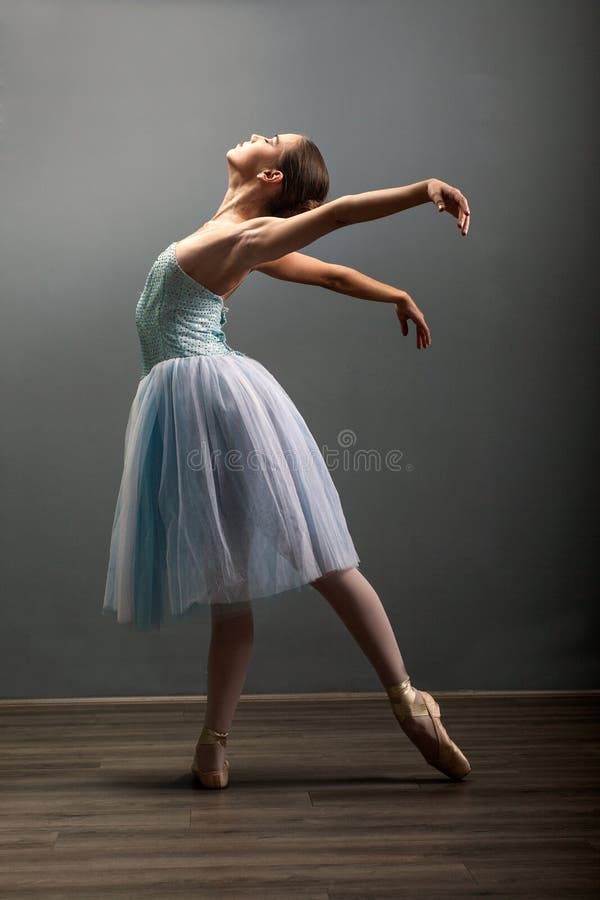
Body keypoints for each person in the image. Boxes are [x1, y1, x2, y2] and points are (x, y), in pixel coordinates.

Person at [102, 132, 472, 789]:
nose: (254, 135)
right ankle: (213, 747)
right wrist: (392, 293)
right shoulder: (233, 233)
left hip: (213, 402)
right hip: (189, 401)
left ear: (272, 174)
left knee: (316, 554)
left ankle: (409, 700)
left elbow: (337, 217)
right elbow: (327, 273)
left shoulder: (241, 239)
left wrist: (423, 192)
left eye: (270, 139)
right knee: (230, 586)